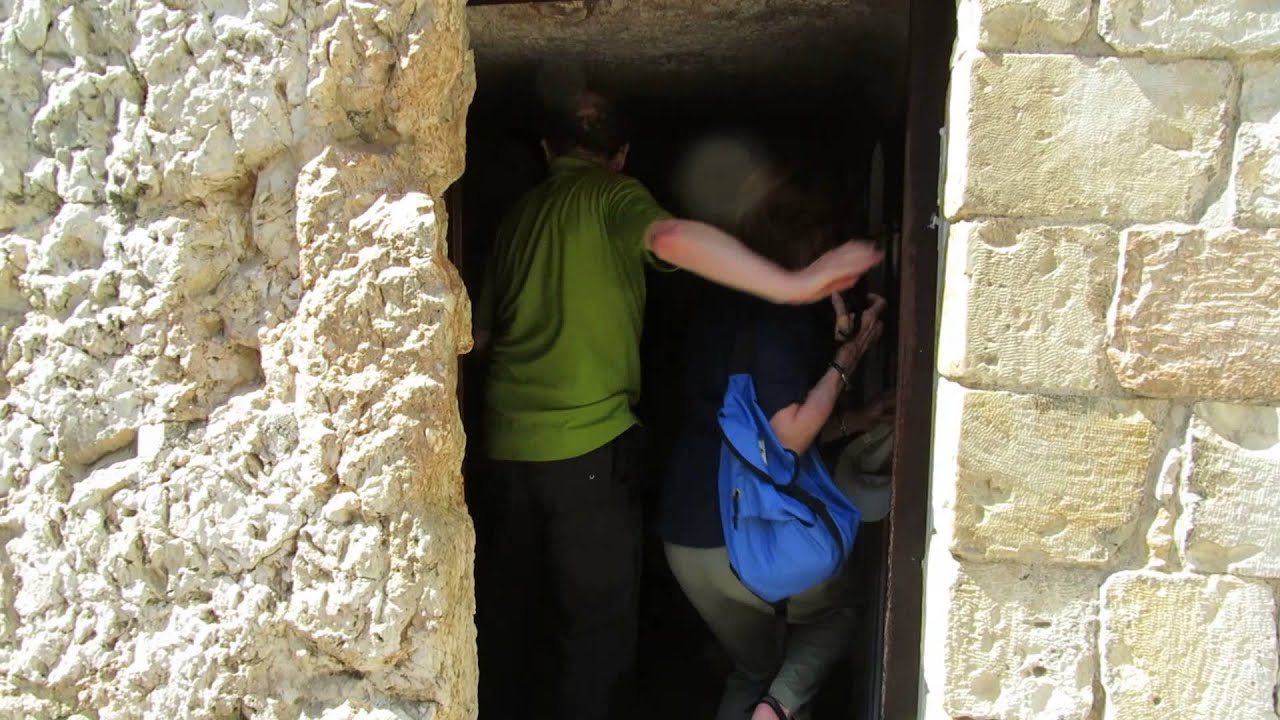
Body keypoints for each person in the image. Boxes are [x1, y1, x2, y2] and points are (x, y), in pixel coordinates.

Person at [470, 91, 882, 720]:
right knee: (595, 633)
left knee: (512, 617)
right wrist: (796, 287)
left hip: (503, 446)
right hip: (587, 446)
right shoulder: (612, 196)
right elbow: (666, 235)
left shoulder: (516, 218)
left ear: (547, 149)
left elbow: (482, 336)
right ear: (622, 157)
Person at [657, 167, 891, 720]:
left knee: (753, 665)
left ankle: (769, 700)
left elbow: (751, 432)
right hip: (744, 535)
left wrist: (857, 418)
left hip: (687, 536)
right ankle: (781, 707)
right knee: (842, 608)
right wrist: (848, 359)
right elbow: (788, 432)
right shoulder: (782, 316)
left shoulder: (716, 302)